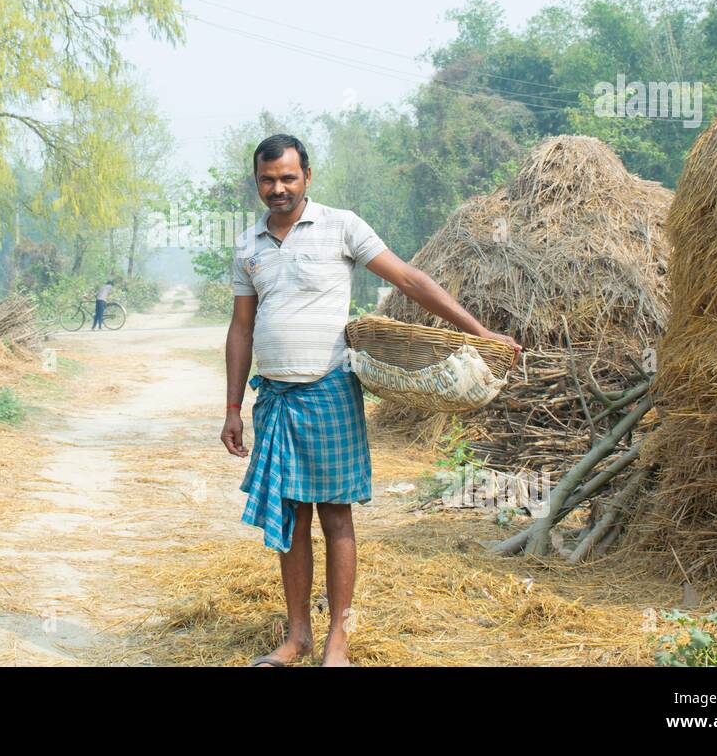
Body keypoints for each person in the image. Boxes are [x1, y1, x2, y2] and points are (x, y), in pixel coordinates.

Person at [221, 133, 521, 667]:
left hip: (330, 388)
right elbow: (241, 329)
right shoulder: (248, 245)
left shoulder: (342, 226)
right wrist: (231, 409)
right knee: (289, 518)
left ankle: (338, 636)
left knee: (335, 515)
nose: (278, 188)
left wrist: (478, 332)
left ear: (307, 177)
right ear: (257, 182)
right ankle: (297, 638)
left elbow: (409, 279)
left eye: (288, 177)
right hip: (275, 399)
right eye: (268, 179)